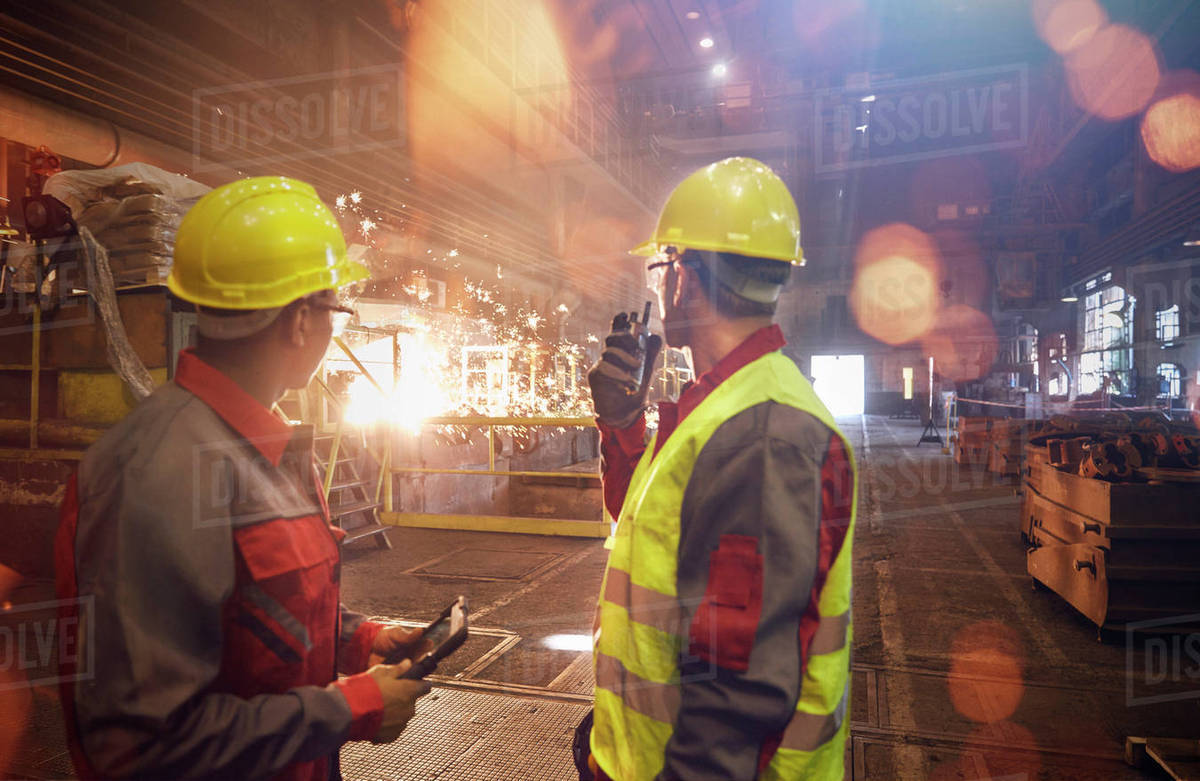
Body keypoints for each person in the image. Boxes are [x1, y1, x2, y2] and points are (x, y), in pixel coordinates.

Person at [54, 176, 432, 780]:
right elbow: (139, 747)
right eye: (335, 308)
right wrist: (347, 709)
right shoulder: (157, 471)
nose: (334, 328)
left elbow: (254, 621)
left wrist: (360, 642)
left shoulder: (266, 447)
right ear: (301, 322)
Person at [585, 157, 858, 780]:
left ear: (682, 277)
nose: (657, 288)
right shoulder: (722, 408)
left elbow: (738, 704)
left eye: (661, 269)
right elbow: (655, 531)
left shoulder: (762, 434)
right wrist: (623, 426)